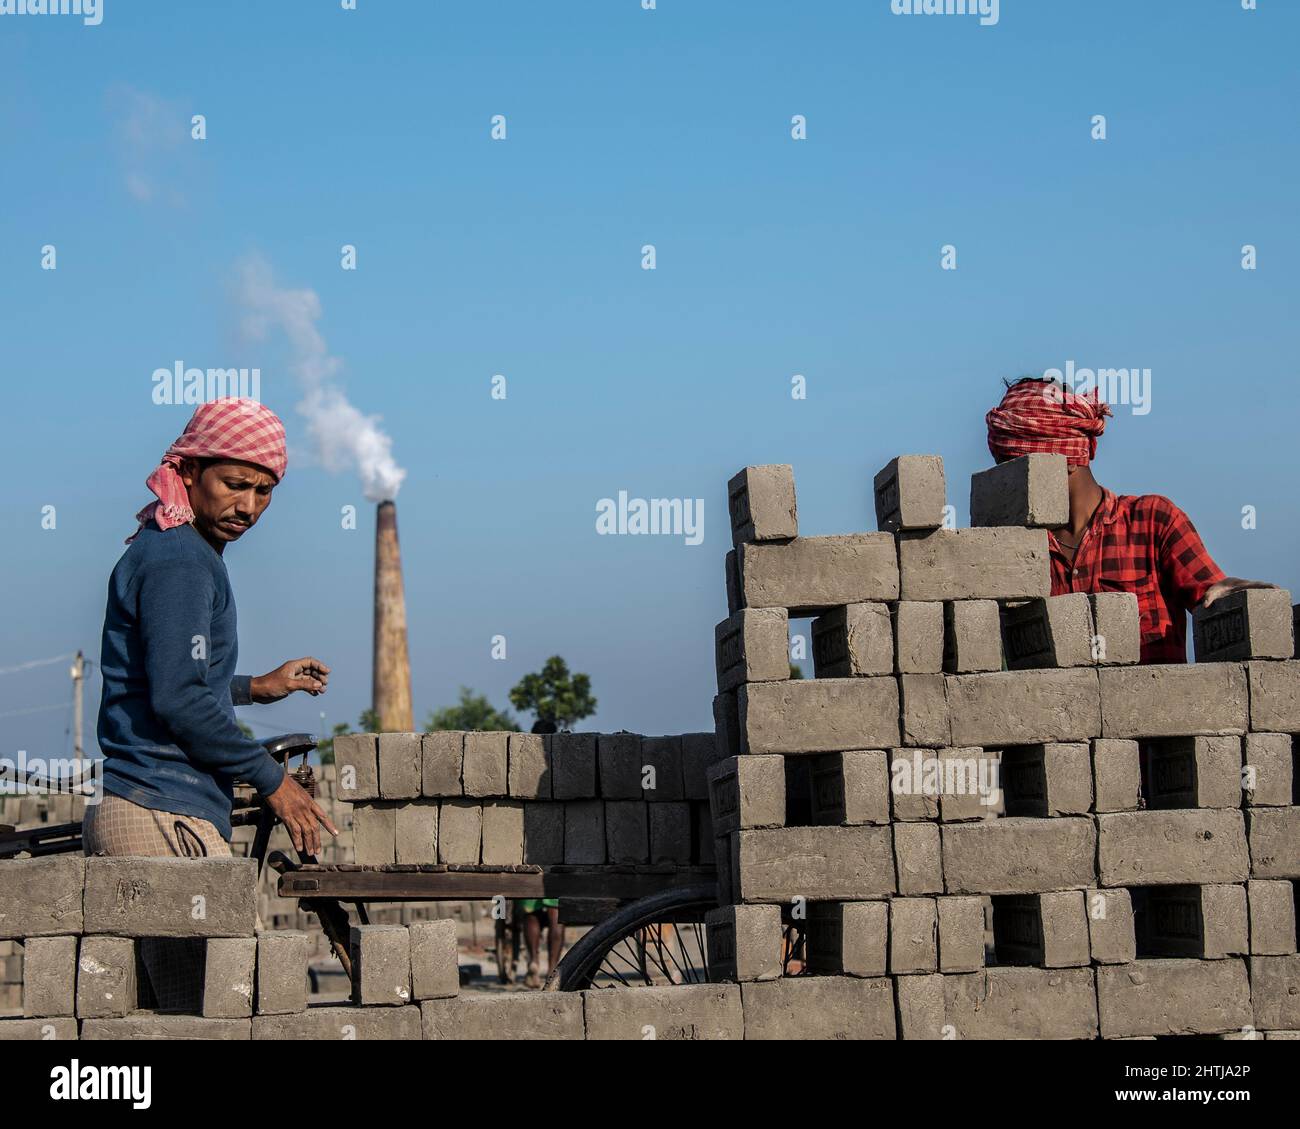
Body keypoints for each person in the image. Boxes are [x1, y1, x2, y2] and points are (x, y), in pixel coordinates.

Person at [88, 397, 338, 1010]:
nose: (247, 507)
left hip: (151, 806)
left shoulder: (176, 548)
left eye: (264, 491)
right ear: (191, 470)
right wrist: (270, 778)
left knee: (176, 1012)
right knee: (218, 1007)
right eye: (234, 484)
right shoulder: (180, 561)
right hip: (161, 810)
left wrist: (253, 687)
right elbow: (177, 700)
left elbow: (165, 682)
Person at [986, 377, 1276, 663]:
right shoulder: (1013, 554)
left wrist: (1235, 597)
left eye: (1016, 467)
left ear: (1070, 458)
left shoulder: (1154, 523)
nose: (1006, 482)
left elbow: (1213, 599)